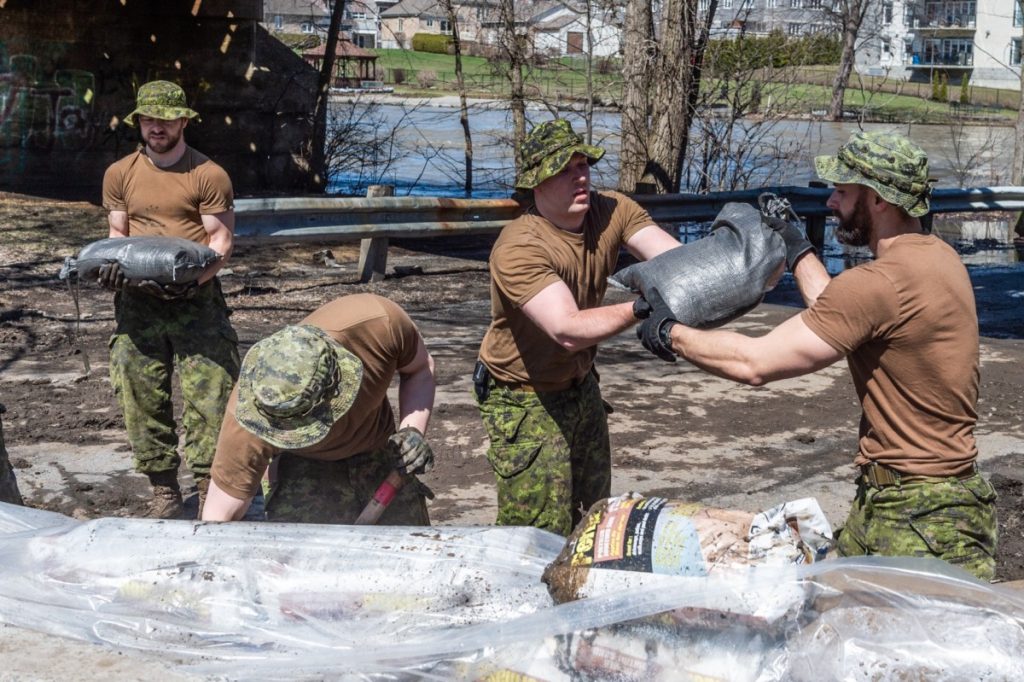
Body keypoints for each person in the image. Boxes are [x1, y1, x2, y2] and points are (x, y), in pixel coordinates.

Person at [638, 131, 998, 580]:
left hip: (920, 522)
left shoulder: (880, 283)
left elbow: (756, 363)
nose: (830, 202)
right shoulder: (938, 258)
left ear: (879, 200)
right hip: (916, 502)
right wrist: (795, 244)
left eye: (844, 191)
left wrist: (669, 331)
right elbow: (840, 306)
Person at [475, 119, 682, 536]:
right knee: (535, 534)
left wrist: (738, 262)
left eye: (584, 164)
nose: (581, 175)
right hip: (524, 398)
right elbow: (567, 328)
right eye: (565, 169)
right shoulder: (519, 246)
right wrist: (643, 309)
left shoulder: (611, 211)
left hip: (581, 386)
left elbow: (673, 261)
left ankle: (578, 598)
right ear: (536, 183)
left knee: (593, 519)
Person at [99, 80, 239, 519]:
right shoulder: (120, 173)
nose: (156, 127)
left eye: (165, 118)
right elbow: (118, 236)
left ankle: (206, 488)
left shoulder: (207, 174)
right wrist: (113, 273)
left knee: (213, 396)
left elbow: (221, 240)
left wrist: (192, 285)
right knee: (139, 394)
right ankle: (163, 491)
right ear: (138, 122)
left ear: (183, 120)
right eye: (148, 119)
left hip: (195, 302)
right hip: (137, 301)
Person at [202, 294, 436, 524]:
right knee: (301, 555)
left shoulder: (378, 324)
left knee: (409, 552)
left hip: (380, 449)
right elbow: (218, 517)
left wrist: (411, 432)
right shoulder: (249, 420)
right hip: (301, 465)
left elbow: (419, 369)